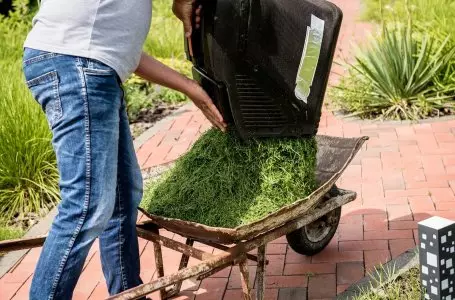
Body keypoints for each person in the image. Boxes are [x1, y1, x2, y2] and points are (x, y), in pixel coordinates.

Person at [22, 0, 226, 299]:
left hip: (91, 71)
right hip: (79, 70)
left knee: (122, 196)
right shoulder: (79, 37)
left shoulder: (95, 20)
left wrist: (190, 87)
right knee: (86, 205)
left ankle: (129, 293)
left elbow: (125, 56)